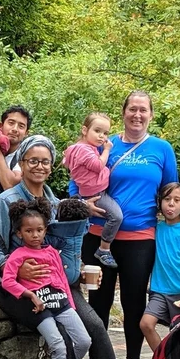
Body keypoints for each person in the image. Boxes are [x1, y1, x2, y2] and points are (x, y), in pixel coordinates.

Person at [0, 136, 129, 359]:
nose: (38, 166)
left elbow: (66, 250)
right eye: (32, 160)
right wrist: (17, 264)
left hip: (56, 286)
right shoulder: (5, 203)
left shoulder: (57, 204)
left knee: (95, 327)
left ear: (52, 167)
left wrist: (84, 271)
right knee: (62, 334)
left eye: (44, 161)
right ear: (21, 164)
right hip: (18, 289)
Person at [79, 90, 180, 359]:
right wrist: (80, 203)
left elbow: (170, 190)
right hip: (98, 235)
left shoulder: (161, 149)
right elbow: (80, 177)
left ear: (151, 114)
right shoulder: (102, 144)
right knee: (98, 299)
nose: (137, 115)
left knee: (135, 301)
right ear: (123, 112)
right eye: (132, 109)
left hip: (140, 237)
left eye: (143, 110)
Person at [0, 198, 97, 359]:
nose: (35, 235)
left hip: (61, 303)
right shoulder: (18, 255)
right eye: (29, 231)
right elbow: (7, 281)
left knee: (84, 340)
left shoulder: (52, 252)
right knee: (58, 344)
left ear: (46, 230)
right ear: (19, 233)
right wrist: (29, 294)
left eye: (40, 230)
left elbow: (62, 280)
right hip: (39, 308)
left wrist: (71, 305)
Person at [139, 182, 180, 354]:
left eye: (177, 200)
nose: (171, 204)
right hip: (159, 290)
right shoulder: (157, 227)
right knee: (146, 324)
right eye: (167, 199)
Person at [64, 112, 123, 268]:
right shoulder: (85, 150)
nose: (102, 137)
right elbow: (97, 166)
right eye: (97, 131)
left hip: (92, 190)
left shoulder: (77, 148)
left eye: (105, 133)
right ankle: (104, 249)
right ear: (85, 130)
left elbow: (67, 164)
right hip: (96, 194)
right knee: (116, 217)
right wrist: (107, 149)